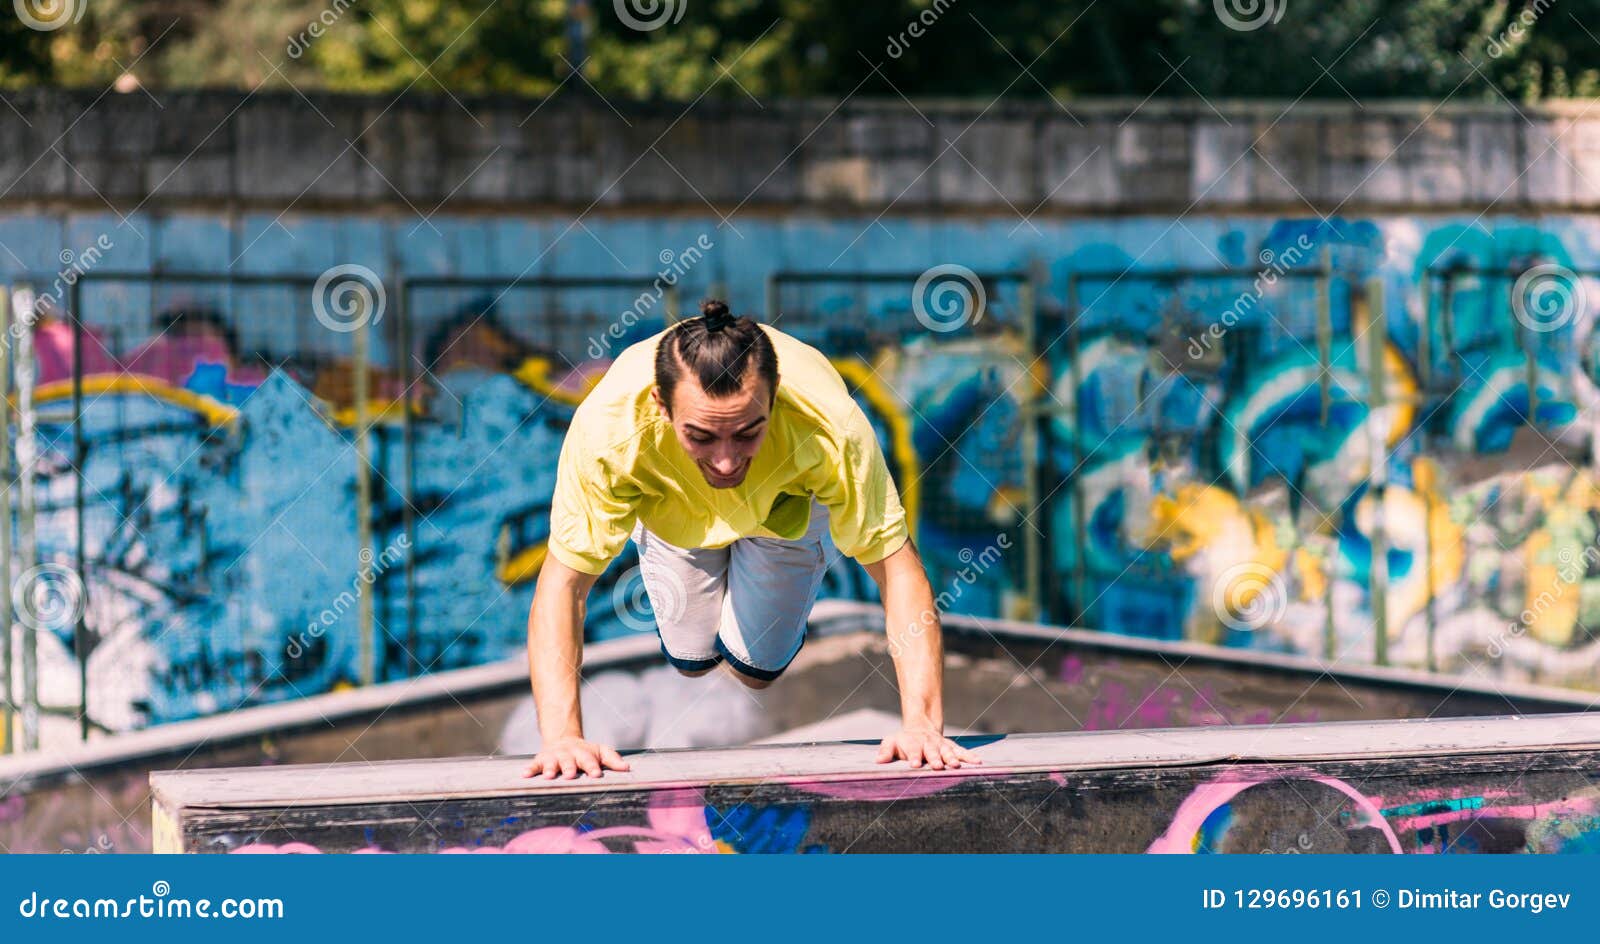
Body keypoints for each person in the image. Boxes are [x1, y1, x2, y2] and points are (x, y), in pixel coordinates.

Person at [522, 298, 979, 779]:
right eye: (701, 437)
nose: (725, 461)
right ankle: (678, 539)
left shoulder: (828, 427)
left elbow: (898, 570)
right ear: (661, 404)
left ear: (775, 395)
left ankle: (763, 574)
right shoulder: (609, 433)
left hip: (784, 516)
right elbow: (563, 586)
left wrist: (924, 726)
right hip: (675, 512)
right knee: (693, 660)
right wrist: (562, 738)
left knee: (754, 666)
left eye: (746, 434)